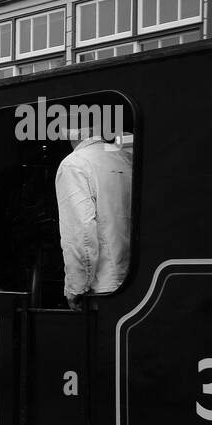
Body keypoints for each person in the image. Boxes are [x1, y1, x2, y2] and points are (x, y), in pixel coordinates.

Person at [55, 131, 133, 310]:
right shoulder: (125, 158)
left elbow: (81, 233)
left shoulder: (74, 164)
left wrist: (76, 287)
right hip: (132, 279)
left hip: (103, 286)